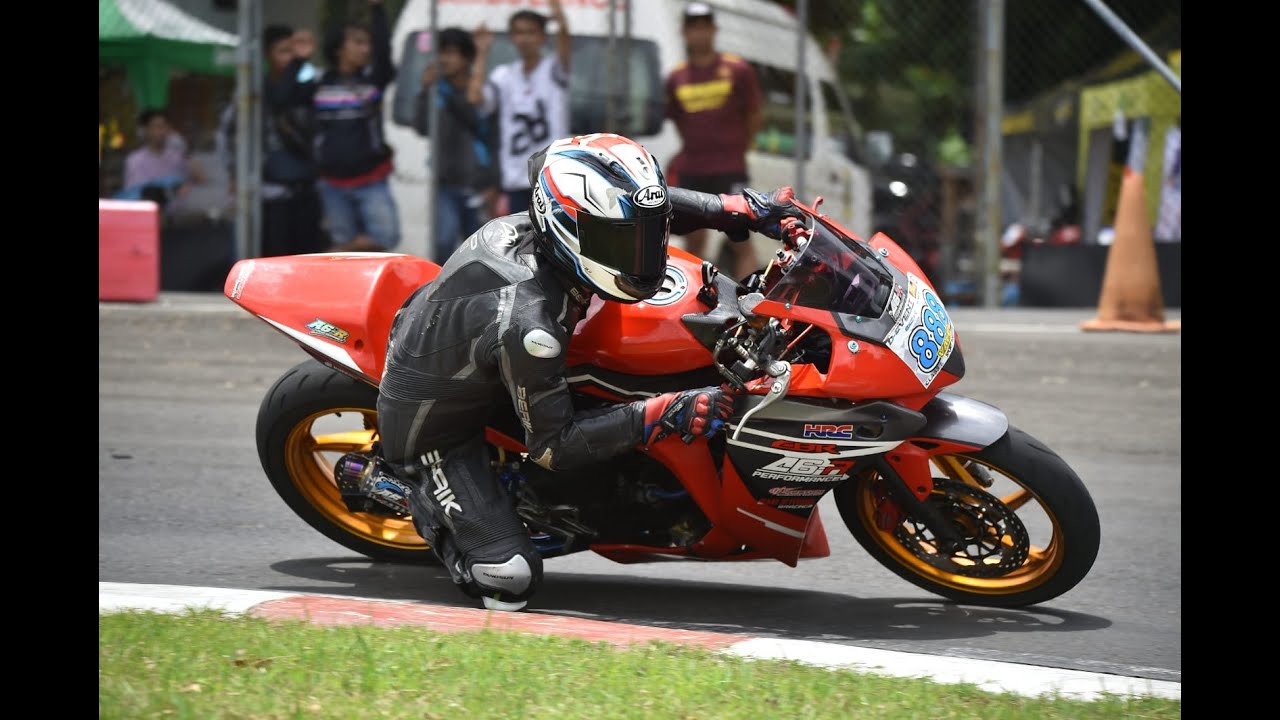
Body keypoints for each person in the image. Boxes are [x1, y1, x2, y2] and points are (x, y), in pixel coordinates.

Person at [375, 133, 804, 612]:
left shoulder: (557, 214)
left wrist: (737, 209)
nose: (643, 253)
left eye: (644, 238)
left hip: (476, 353)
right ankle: (409, 490)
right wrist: (667, 412)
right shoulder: (532, 326)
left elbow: (644, 207)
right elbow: (554, 447)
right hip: (434, 427)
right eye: (625, 243)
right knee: (509, 579)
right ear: (570, 232)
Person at [269, 0, 400, 252]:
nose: (365, 49)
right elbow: (281, 99)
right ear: (339, 48)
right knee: (343, 246)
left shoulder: (372, 81)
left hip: (371, 178)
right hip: (333, 183)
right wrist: (298, 60)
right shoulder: (319, 82)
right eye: (358, 42)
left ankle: (343, 250)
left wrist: (377, 11)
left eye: (368, 43)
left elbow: (384, 53)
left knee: (385, 237)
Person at [664, 2, 765, 281]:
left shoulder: (738, 69)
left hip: (730, 169)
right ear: (684, 33)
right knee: (694, 243)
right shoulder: (677, 77)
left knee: (741, 241)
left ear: (714, 30)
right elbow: (680, 121)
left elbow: (754, 116)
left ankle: (752, 303)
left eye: (704, 27)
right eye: (693, 28)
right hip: (692, 170)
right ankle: (698, 299)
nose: (700, 34)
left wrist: (734, 149)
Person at [221, 24, 326, 258]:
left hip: (307, 189)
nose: (291, 57)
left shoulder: (308, 83)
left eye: (293, 51)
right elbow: (229, 133)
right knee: (276, 257)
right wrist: (234, 173)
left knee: (308, 257)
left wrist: (300, 63)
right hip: (270, 193)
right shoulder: (254, 90)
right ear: (268, 55)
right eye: (284, 51)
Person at [473, 0, 571, 216]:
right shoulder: (504, 75)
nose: (525, 39)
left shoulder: (553, 70)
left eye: (531, 32)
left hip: (550, 175)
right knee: (523, 232)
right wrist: (481, 52)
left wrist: (559, 17)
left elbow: (564, 41)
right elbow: (476, 98)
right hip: (517, 176)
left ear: (543, 37)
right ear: (512, 37)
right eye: (518, 32)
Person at [414, 26, 499, 262]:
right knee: (443, 243)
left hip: (477, 182)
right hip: (445, 182)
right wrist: (424, 91)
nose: (444, 59)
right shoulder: (436, 90)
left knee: (480, 249)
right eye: (441, 52)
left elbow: (478, 118)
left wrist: (494, 181)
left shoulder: (481, 90)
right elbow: (421, 127)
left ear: (467, 57)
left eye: (451, 53)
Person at [119, 108, 207, 213]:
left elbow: (196, 182)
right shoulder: (135, 161)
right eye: (157, 127)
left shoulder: (177, 157)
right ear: (146, 130)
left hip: (177, 217)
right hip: (148, 217)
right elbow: (135, 196)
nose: (162, 131)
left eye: (165, 126)